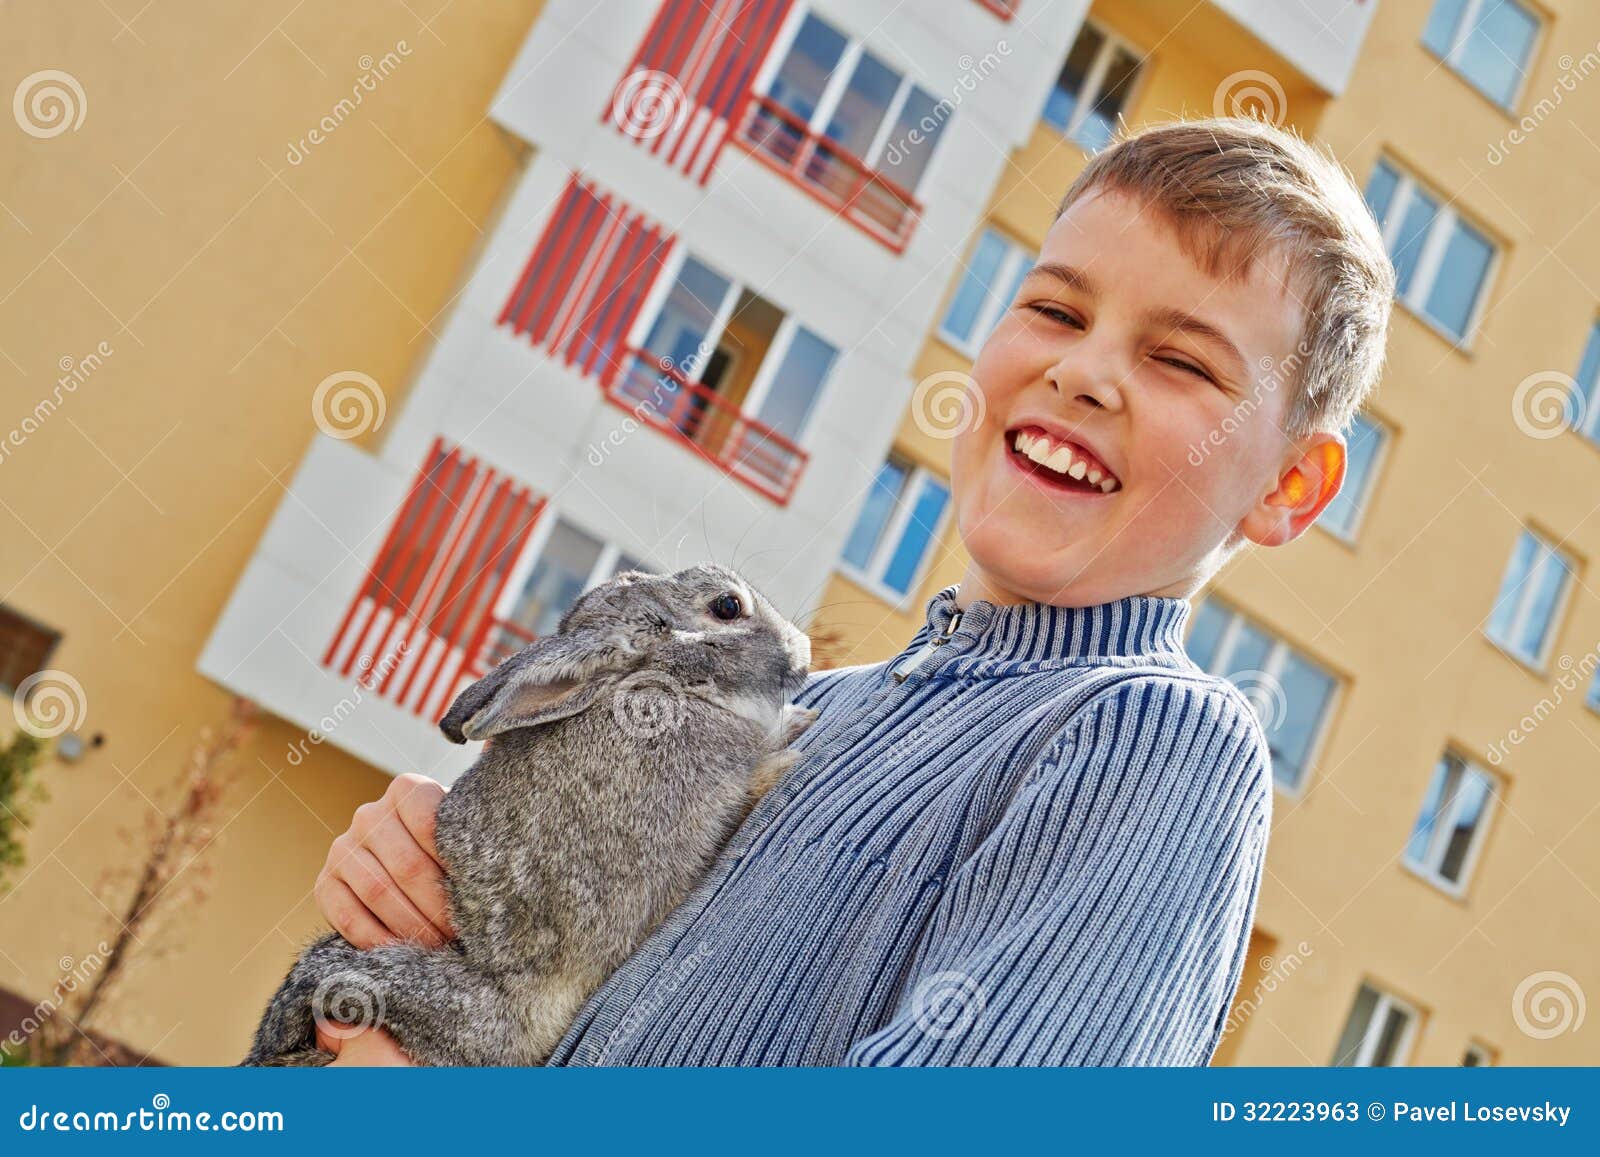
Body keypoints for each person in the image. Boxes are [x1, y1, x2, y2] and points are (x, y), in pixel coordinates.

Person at [305, 114, 1394, 1065]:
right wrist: (428, 897)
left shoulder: (1158, 739)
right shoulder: (800, 713)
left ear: (1289, 485)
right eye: (1056, 311)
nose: (1081, 370)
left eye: (1182, 361)